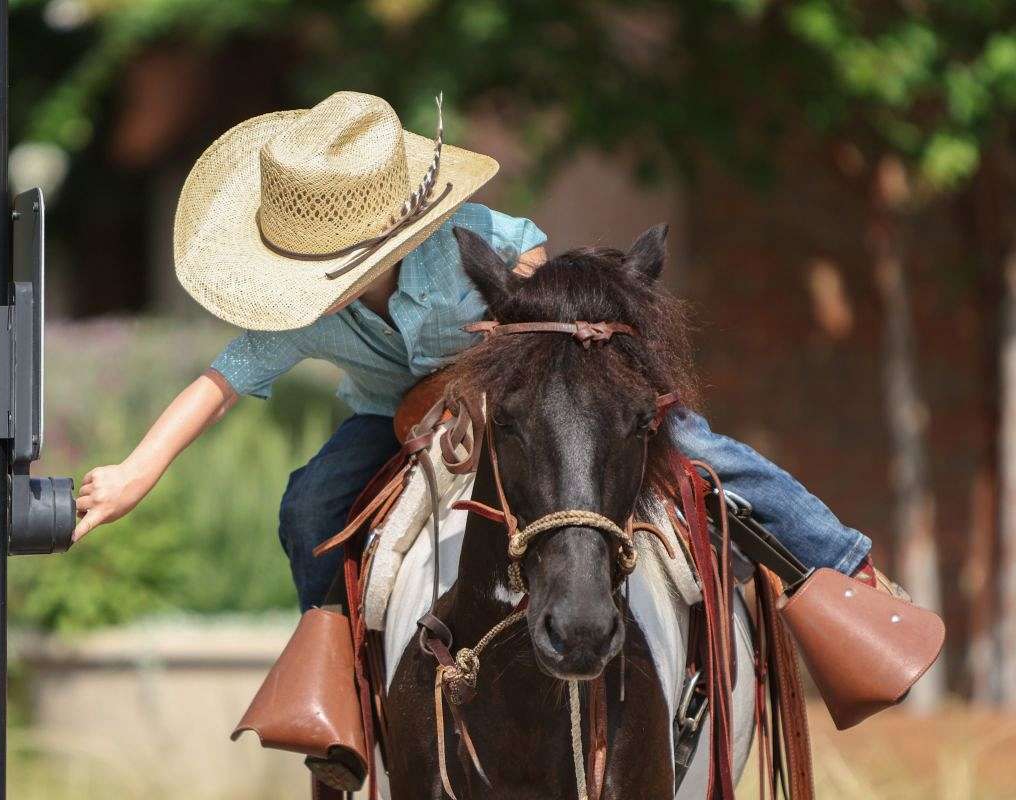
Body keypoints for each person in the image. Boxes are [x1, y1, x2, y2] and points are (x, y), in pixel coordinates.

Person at [72, 90, 904, 615]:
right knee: (309, 507)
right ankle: (329, 662)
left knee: (693, 445)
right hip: (389, 420)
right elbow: (218, 383)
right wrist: (137, 472)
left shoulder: (456, 242)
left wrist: (518, 322)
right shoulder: (294, 311)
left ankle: (842, 569)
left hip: (514, 386)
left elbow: (531, 250)